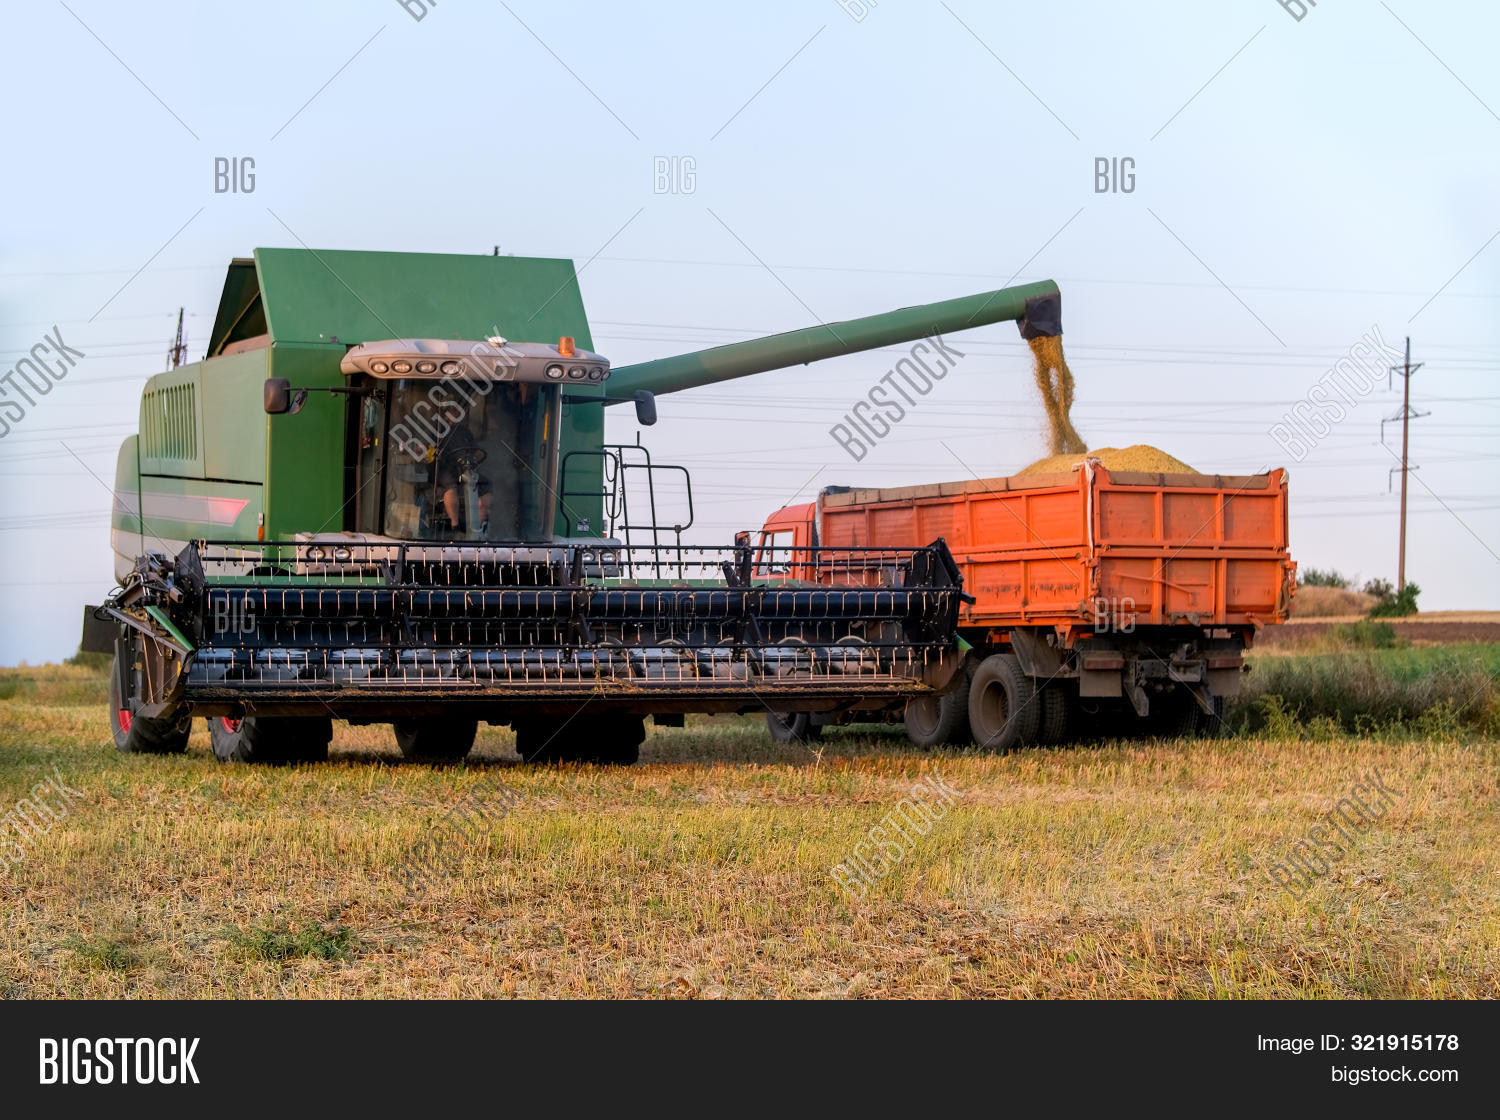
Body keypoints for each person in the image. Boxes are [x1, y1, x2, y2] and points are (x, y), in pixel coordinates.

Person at [434, 402, 492, 533]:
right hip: (446, 468)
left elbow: (475, 450)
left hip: (466, 468)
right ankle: (455, 527)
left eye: (457, 410)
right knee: (451, 488)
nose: (456, 412)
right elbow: (425, 448)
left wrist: (477, 455)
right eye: (452, 410)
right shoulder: (438, 430)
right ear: (445, 412)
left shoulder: (464, 431)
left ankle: (476, 529)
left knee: (486, 489)